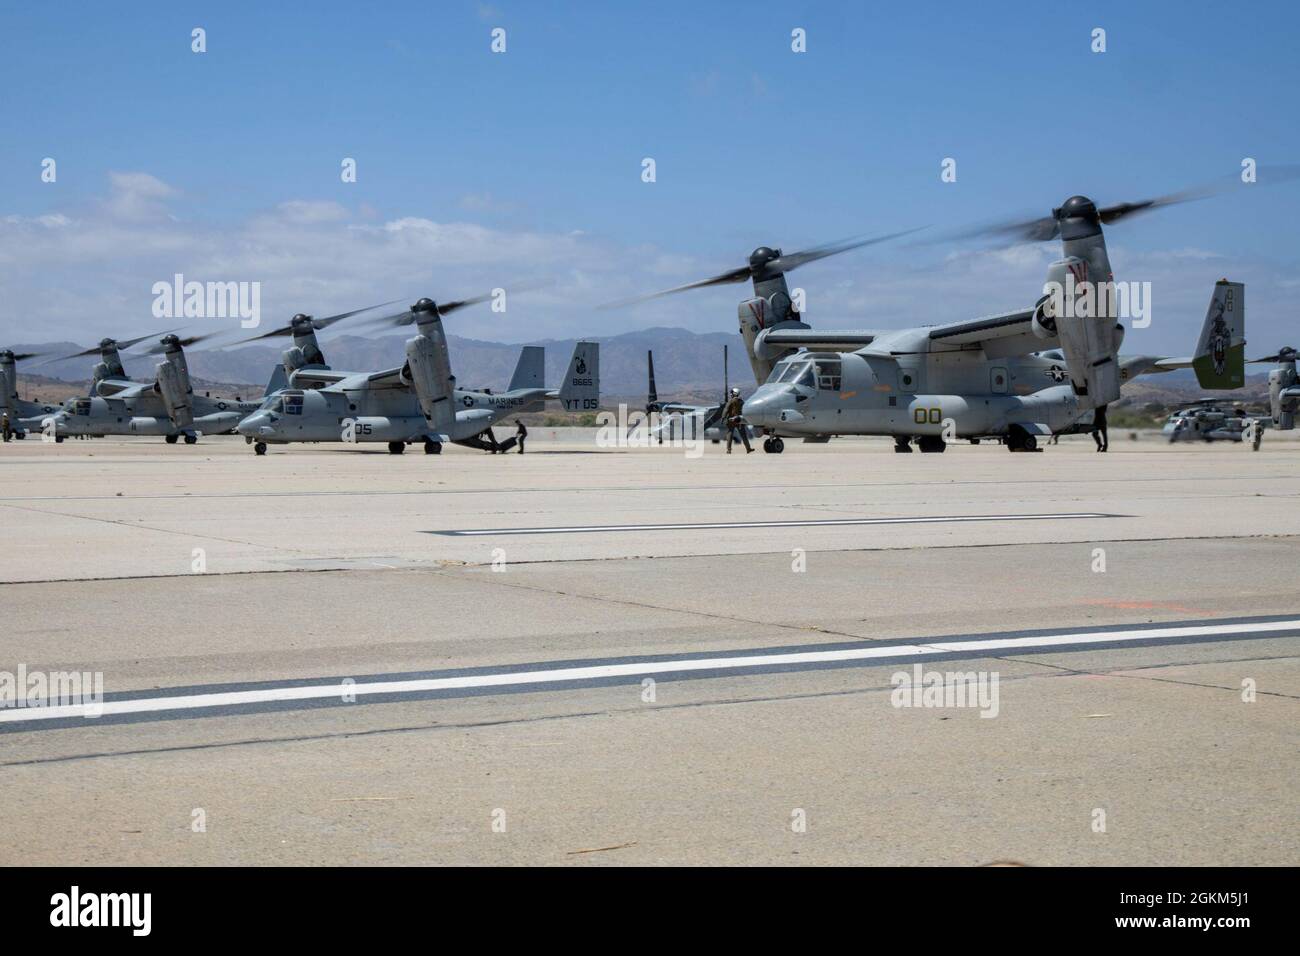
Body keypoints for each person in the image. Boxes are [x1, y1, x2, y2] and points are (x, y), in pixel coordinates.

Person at [720, 388, 753, 454]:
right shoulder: (741, 401)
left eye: (732, 393)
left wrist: (723, 418)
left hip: (731, 421)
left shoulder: (730, 401)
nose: (731, 394)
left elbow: (725, 410)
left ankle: (729, 450)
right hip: (739, 420)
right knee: (743, 435)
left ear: (734, 393)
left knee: (730, 435)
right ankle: (748, 448)